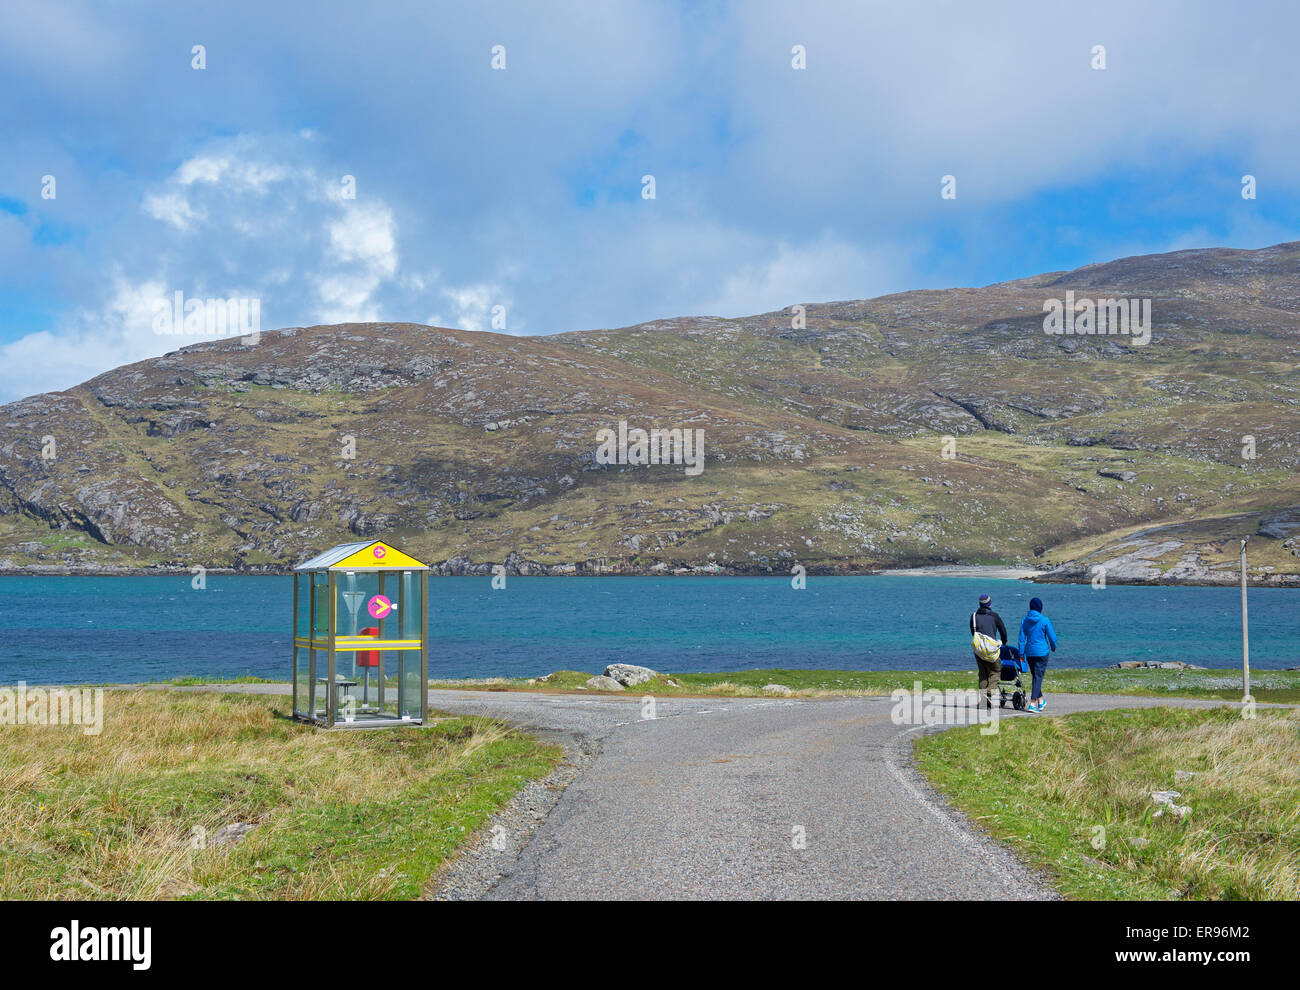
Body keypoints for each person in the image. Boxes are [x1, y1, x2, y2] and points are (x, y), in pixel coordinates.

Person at [1018, 596, 1058, 712]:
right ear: (1040, 608)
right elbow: (1052, 638)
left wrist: (1021, 653)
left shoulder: (1024, 620)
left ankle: (1041, 701)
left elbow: (1021, 639)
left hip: (1029, 652)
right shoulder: (1045, 620)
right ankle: (1032, 703)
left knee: (1036, 676)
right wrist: (1053, 647)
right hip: (1042, 652)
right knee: (1038, 677)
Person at [968, 593, 1007, 708]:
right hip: (990, 650)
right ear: (989, 604)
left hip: (979, 650)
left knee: (983, 673)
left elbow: (973, 632)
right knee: (996, 670)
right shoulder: (994, 616)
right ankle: (990, 691)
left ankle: (984, 700)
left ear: (980, 604)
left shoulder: (974, 616)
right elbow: (1003, 631)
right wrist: (1004, 641)